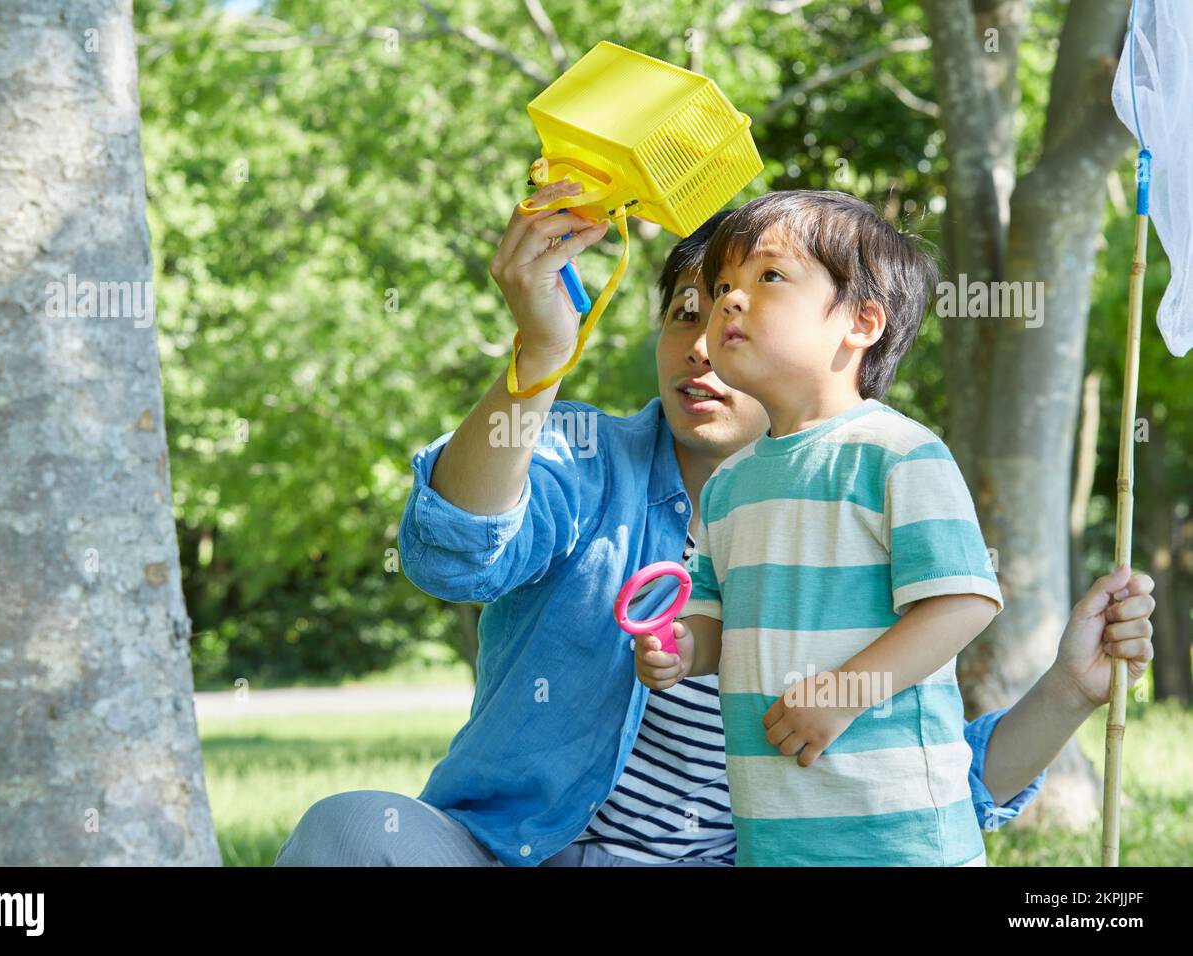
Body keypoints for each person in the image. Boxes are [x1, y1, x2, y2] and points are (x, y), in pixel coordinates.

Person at [275, 178, 1157, 867]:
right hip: (515, 854)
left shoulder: (877, 478)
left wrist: (1069, 692)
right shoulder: (580, 448)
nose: (707, 336)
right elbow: (451, 558)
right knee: (355, 830)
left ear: (851, 329)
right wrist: (539, 356)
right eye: (686, 312)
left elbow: (921, 792)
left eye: (748, 296)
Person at [638, 191, 998, 866]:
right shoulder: (729, 485)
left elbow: (963, 601)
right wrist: (684, 649)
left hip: (897, 833)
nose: (729, 303)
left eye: (768, 277)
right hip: (774, 832)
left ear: (861, 321)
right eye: (721, 288)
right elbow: (715, 616)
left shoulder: (899, 454)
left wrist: (844, 691)